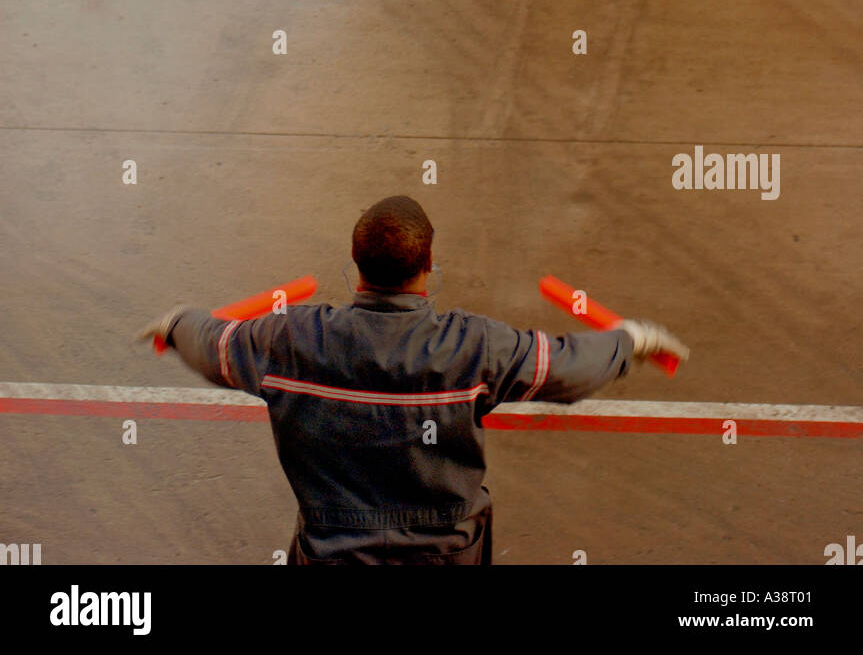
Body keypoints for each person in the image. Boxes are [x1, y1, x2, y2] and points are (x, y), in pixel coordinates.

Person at [137, 195, 688, 565]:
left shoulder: (289, 340)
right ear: (428, 265)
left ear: (356, 265)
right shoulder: (474, 347)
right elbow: (566, 367)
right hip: (447, 555)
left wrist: (178, 322)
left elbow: (211, 344)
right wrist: (631, 341)